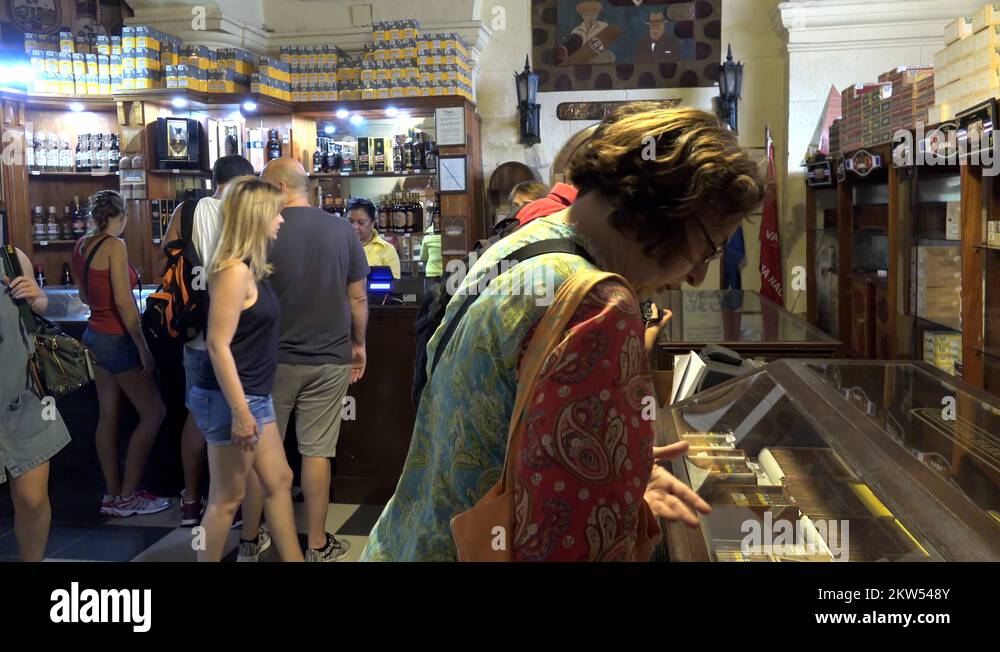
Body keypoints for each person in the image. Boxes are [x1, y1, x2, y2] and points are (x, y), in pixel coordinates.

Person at [363, 105, 768, 561]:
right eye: (709, 248)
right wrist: (621, 507)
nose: (696, 275)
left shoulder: (525, 245)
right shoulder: (599, 307)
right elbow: (573, 546)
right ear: (667, 211)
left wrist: (618, 478)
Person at [259, 158, 369, 562]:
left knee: (262, 452)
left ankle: (253, 538)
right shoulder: (341, 229)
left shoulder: (261, 230)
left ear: (281, 187)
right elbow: (357, 296)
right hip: (329, 357)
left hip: (271, 361)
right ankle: (319, 543)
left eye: (264, 184)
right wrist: (359, 344)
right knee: (318, 451)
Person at [160, 155, 268, 560]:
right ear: (247, 182)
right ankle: (236, 508)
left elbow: (166, 262)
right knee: (244, 420)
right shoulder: (246, 214)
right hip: (240, 339)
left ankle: (191, 500)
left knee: (198, 417)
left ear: (214, 179)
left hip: (195, 335)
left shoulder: (186, 211)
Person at [192, 176, 302, 562]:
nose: (282, 220)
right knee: (227, 499)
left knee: (279, 480)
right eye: (276, 212)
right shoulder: (233, 270)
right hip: (232, 397)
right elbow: (217, 345)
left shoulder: (249, 267)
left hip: (252, 393)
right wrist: (240, 411)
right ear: (256, 216)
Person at [71, 190, 168, 518]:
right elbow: (125, 303)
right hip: (117, 338)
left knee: (107, 415)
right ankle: (128, 495)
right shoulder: (116, 245)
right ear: (122, 216)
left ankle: (112, 495)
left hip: (93, 335)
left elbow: (85, 296)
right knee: (154, 413)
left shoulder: (83, 245)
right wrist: (143, 348)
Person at [0, 247, 70, 561]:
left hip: (25, 396)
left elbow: (40, 305)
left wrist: (34, 295)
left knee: (33, 499)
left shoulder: (12, 257)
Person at [348, 198, 401, 278]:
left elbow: (393, 285)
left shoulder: (387, 249)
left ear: (372, 223)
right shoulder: (338, 247)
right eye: (350, 221)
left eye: (361, 222)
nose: (354, 227)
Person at [419, 214, 443, 282]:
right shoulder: (451, 231)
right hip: (449, 273)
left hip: (431, 273)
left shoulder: (428, 233)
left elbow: (423, 257)